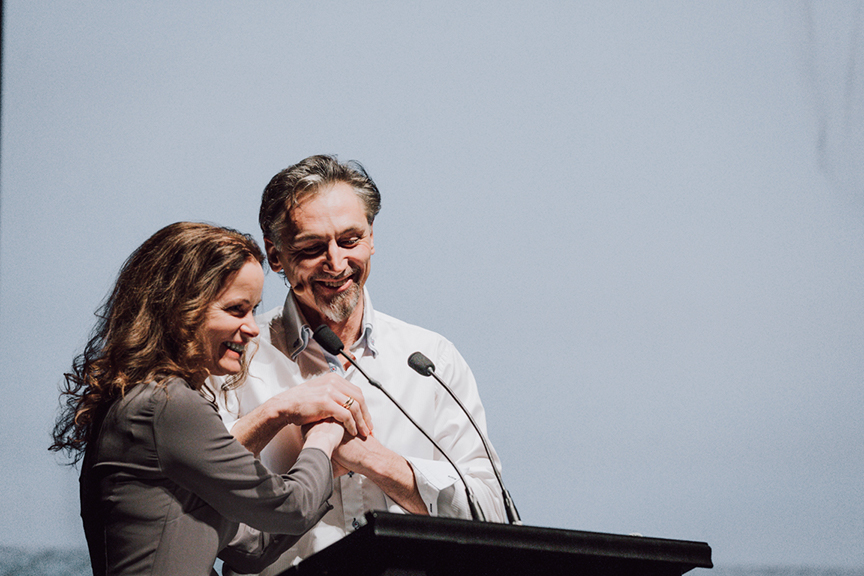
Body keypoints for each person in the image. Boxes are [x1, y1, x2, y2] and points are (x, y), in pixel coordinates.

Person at [214, 155, 506, 575]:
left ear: (372, 238)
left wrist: (375, 461)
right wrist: (277, 417)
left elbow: (493, 514)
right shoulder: (233, 358)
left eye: (350, 240)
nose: (336, 263)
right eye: (312, 248)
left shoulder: (432, 360)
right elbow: (200, 498)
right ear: (275, 255)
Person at [50, 222, 372, 576]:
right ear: (179, 309)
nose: (252, 328)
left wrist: (324, 469)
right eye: (236, 310)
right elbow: (291, 509)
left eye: (253, 310)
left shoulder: (144, 401)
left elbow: (253, 550)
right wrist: (322, 440)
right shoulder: (166, 405)